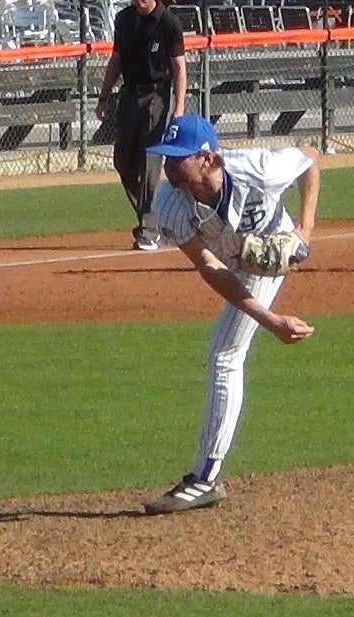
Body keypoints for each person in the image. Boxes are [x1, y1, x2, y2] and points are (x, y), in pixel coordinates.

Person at [141, 114, 319, 515]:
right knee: (225, 354)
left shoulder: (258, 169)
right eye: (165, 156)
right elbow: (210, 268)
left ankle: (205, 478)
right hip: (228, 256)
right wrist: (270, 321)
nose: (168, 164)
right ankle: (206, 477)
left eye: (177, 157)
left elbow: (309, 158)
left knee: (225, 356)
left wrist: (305, 231)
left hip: (267, 255)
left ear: (207, 158)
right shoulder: (170, 202)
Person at [95, 0, 188, 252]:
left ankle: (148, 229)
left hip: (156, 97)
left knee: (149, 162)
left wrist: (179, 108)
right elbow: (116, 59)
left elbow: (179, 68)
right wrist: (104, 96)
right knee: (123, 161)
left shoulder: (168, 22)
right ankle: (157, 217)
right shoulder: (125, 19)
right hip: (129, 96)